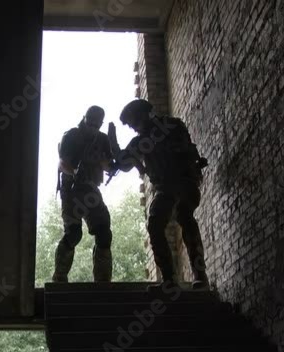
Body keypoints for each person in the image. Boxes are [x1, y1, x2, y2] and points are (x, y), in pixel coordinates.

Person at [110, 99, 212, 291]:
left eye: (133, 123)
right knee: (155, 224)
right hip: (165, 187)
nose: (133, 128)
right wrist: (114, 144)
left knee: (184, 216)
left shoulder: (172, 126)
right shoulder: (141, 140)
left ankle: (200, 276)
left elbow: (179, 149)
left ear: (144, 115)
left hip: (184, 180)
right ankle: (169, 280)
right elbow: (124, 164)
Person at [51, 105, 113, 283]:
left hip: (91, 190)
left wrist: (113, 164)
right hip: (71, 190)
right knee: (73, 234)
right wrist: (74, 172)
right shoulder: (72, 135)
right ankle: (59, 278)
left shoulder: (102, 139)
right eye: (90, 122)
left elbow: (107, 164)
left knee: (104, 233)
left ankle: (103, 282)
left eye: (96, 124)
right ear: (84, 118)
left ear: (101, 123)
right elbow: (62, 163)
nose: (92, 127)